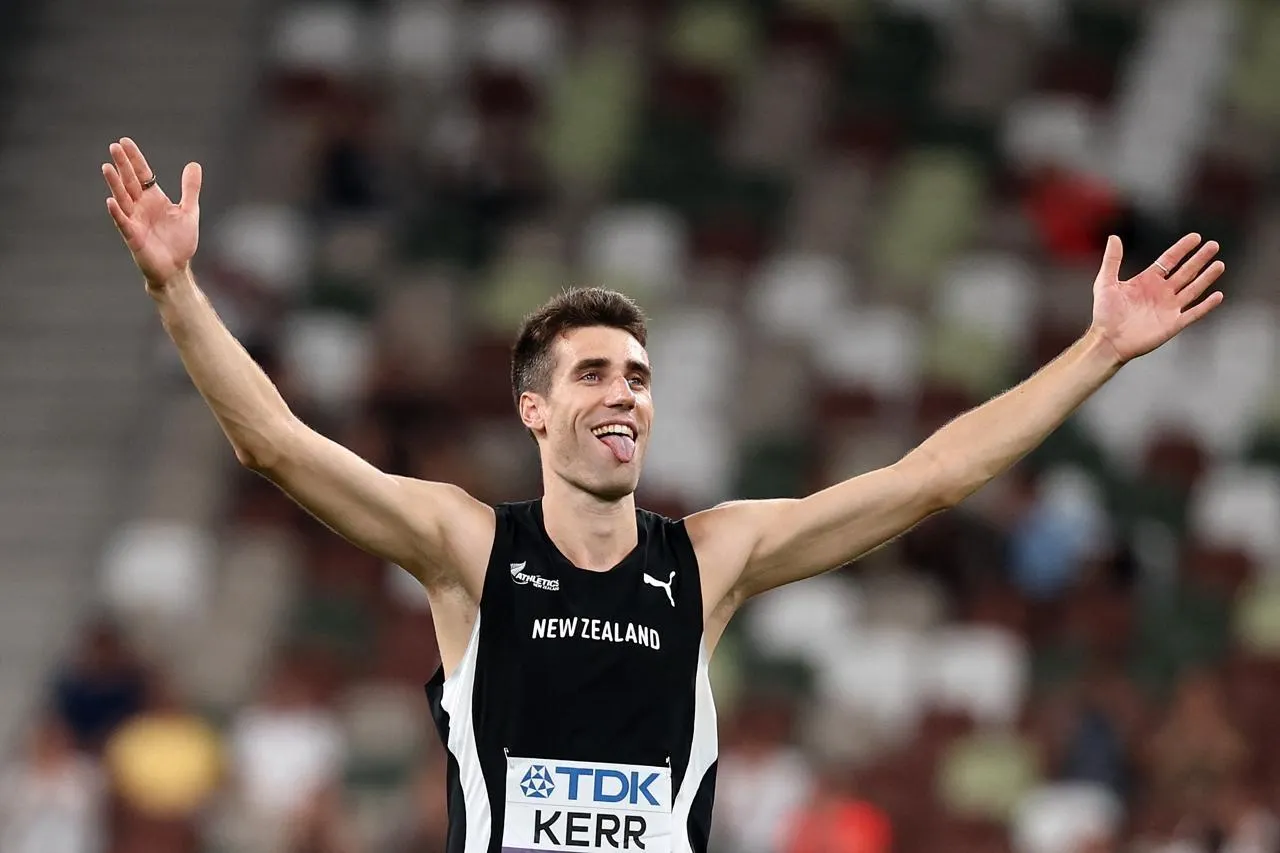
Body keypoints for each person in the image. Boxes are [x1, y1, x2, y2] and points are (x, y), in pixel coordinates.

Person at [101, 137, 1225, 853]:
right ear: (534, 410)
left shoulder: (710, 556)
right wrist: (177, 289)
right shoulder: (467, 546)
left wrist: (1096, 352)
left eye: (637, 375)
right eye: (591, 372)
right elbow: (278, 449)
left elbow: (930, 479)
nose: (621, 393)